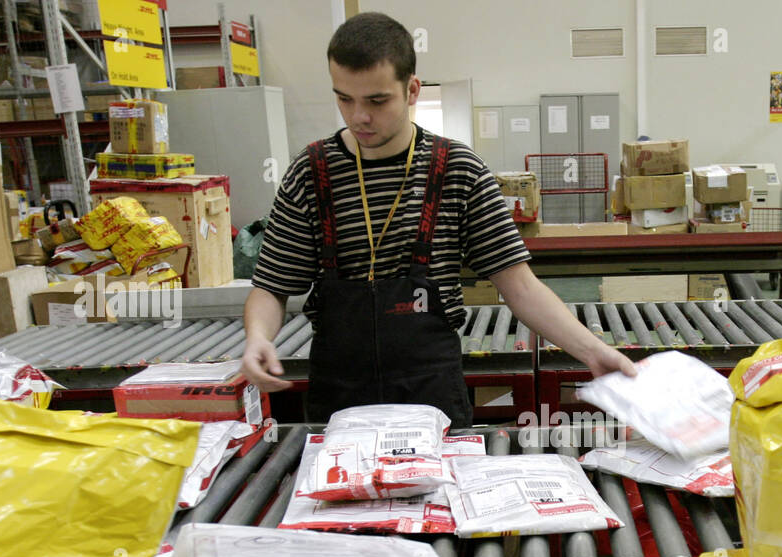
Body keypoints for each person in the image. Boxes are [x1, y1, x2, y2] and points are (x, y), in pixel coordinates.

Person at [241, 12, 635, 426]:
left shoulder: (457, 169)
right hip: (340, 401)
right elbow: (271, 287)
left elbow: (519, 287)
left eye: (377, 101)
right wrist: (257, 339)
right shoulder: (310, 173)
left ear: (412, 90)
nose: (359, 117)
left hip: (432, 399)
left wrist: (593, 351)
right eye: (345, 98)